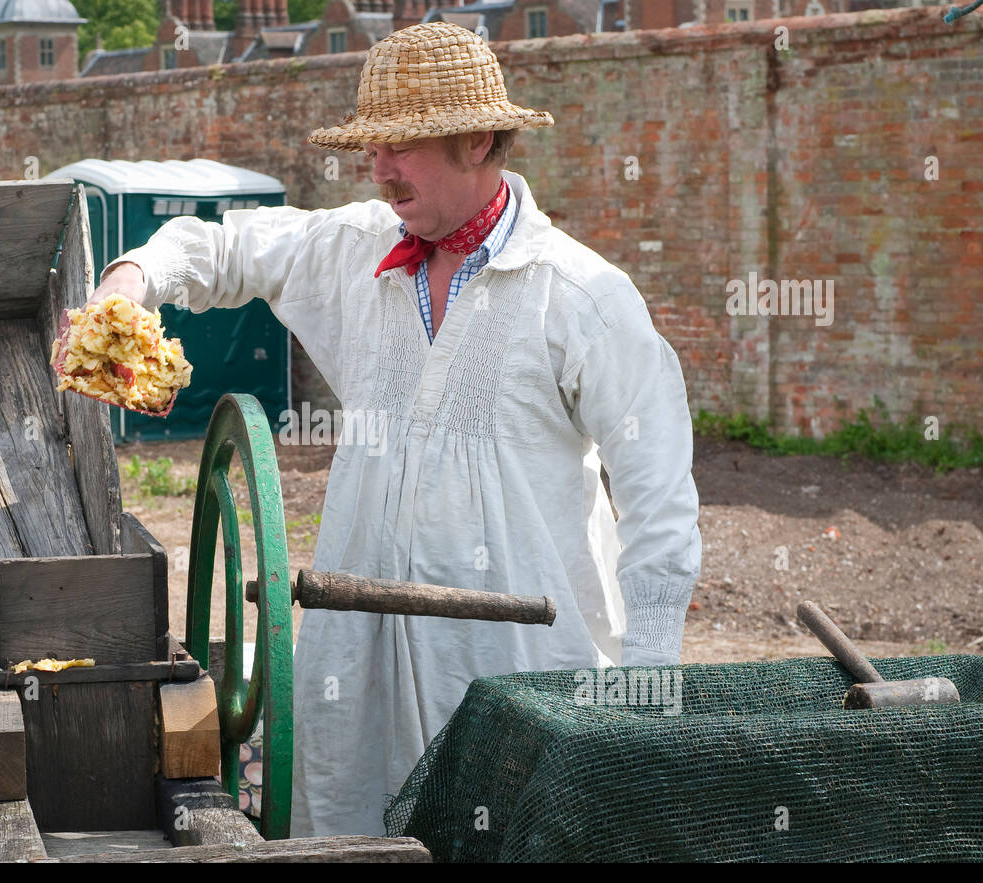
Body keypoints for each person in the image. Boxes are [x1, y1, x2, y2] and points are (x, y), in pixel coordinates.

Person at [90, 21, 702, 837]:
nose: (378, 170)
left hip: (513, 677)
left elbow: (660, 504)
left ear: (478, 137)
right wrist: (132, 280)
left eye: (400, 146)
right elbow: (229, 247)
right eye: (371, 147)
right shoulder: (357, 254)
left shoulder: (582, 296)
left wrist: (646, 690)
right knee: (346, 837)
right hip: (357, 666)